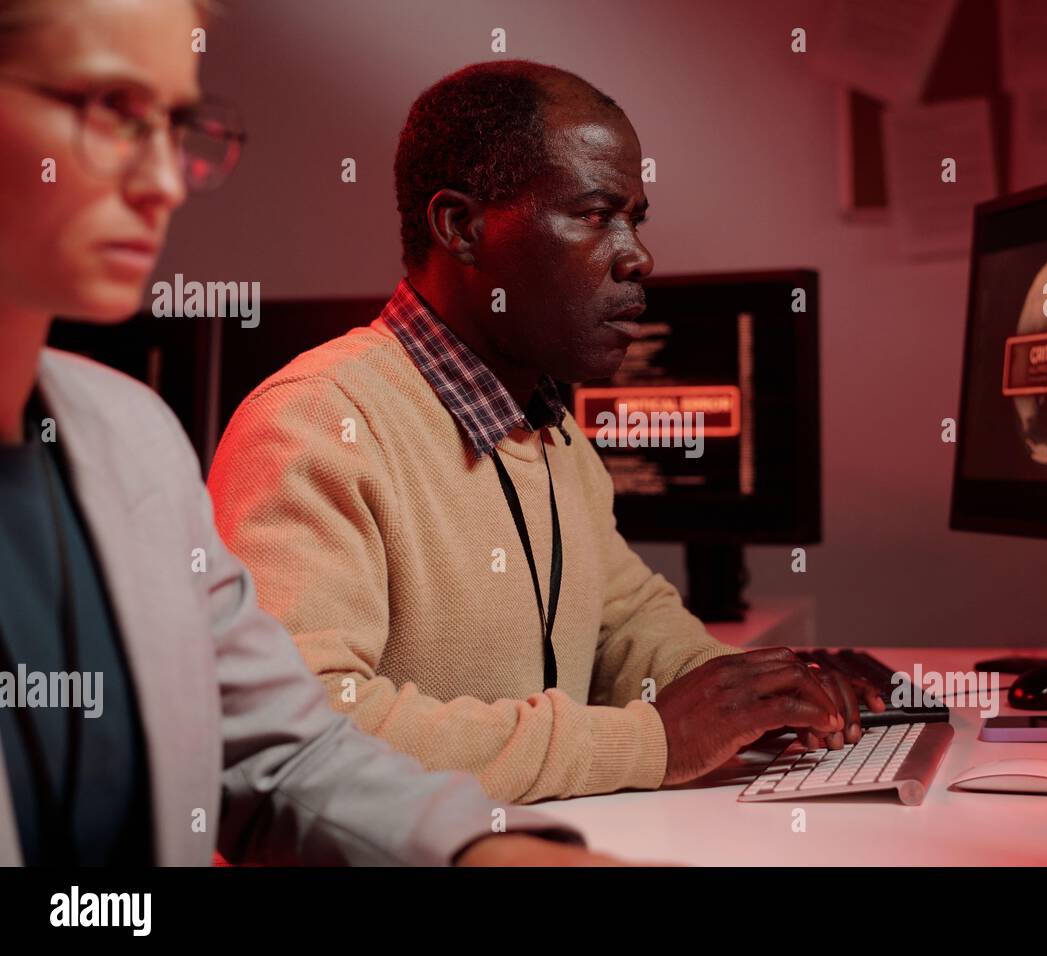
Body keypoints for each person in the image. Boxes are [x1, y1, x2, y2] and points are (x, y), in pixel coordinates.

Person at [0, 0, 613, 866]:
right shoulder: (317, 412)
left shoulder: (131, 437)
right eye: (110, 110)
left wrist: (502, 857)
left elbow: (281, 757)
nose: (164, 181)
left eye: (177, 126)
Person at [209, 59, 884, 804]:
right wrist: (653, 742)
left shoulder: (550, 431)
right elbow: (301, 734)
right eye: (596, 214)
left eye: (636, 217)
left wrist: (745, 697)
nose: (639, 255)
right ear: (462, 227)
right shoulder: (315, 421)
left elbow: (621, 621)